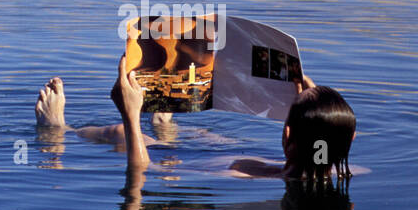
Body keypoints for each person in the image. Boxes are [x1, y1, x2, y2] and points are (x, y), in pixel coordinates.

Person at [34, 54, 357, 180]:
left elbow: (140, 169)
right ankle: (165, 124)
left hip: (172, 161)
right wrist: (311, 103)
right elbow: (325, 143)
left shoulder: (238, 176)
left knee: (121, 132)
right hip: (235, 154)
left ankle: (60, 129)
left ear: (287, 136)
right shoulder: (349, 170)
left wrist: (131, 115)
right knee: (219, 139)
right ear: (350, 140)